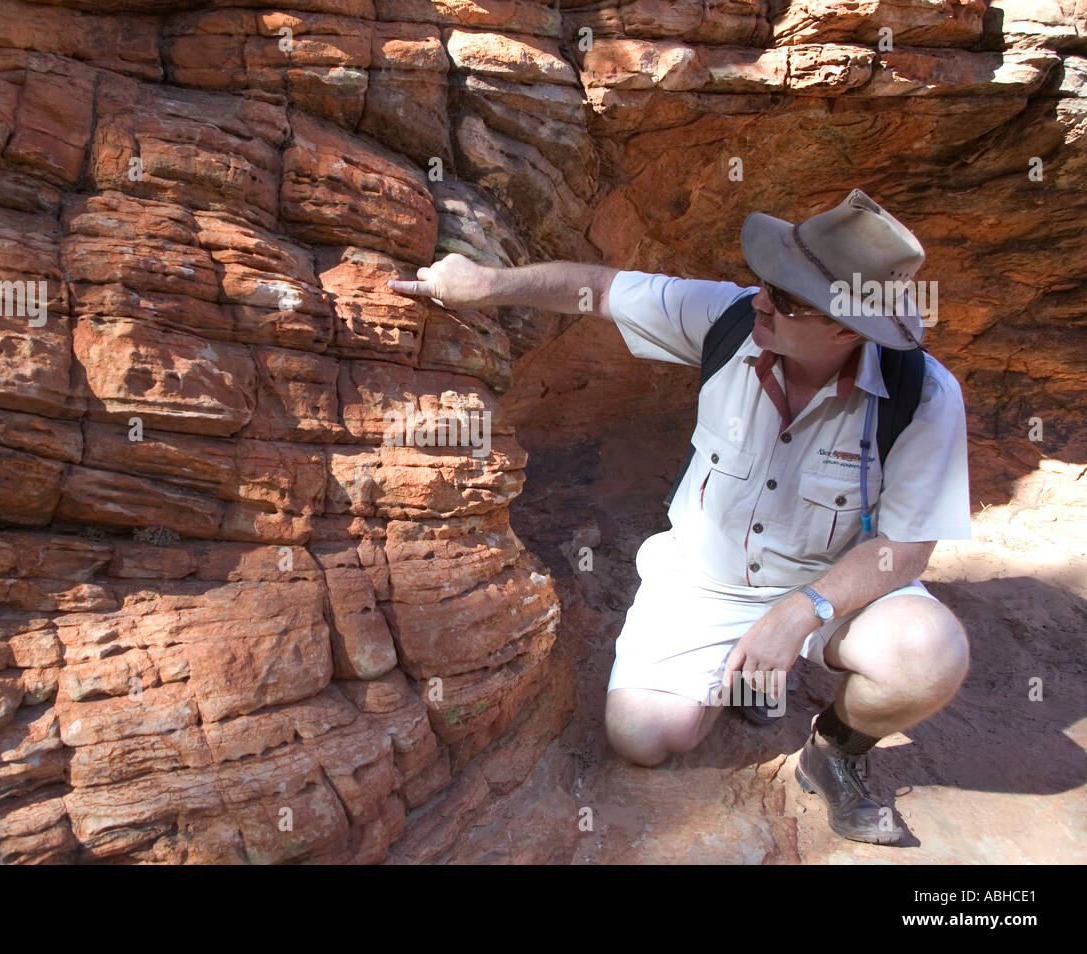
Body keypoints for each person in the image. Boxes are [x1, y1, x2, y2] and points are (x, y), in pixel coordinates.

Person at [388, 188, 972, 845]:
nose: (760, 301)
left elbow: (907, 549)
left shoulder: (922, 396)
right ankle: (742, 681)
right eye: (766, 284)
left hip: (829, 586)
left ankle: (834, 749)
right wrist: (487, 284)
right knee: (641, 736)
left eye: (784, 298)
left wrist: (799, 610)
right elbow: (601, 289)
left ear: (846, 329)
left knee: (929, 652)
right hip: (703, 583)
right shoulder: (727, 318)